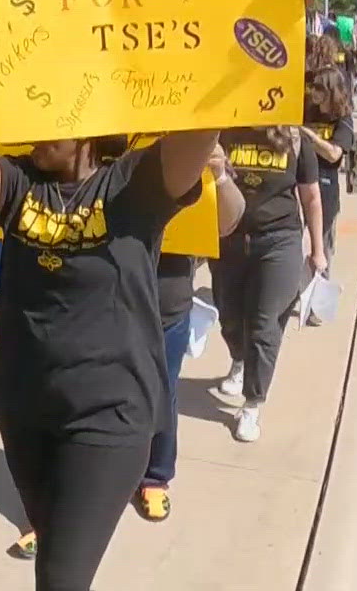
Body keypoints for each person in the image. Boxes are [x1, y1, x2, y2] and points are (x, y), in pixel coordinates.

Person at [0, 0, 314, 590]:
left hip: (110, 418)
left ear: (89, 125)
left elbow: (201, 121)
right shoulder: (17, 186)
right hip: (22, 407)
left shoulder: (135, 186)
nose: (31, 122)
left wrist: (270, 15)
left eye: (46, 111)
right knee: (56, 559)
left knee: (60, 580)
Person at [133, 142, 246, 523]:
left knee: (162, 390)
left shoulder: (195, 145)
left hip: (167, 300)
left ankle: (155, 476)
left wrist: (219, 175)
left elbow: (228, 220)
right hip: (107, 297)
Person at [213, 124, 325, 443]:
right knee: (230, 315)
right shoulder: (225, 131)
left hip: (279, 239)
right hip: (228, 238)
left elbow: (311, 196)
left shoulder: (294, 138)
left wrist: (317, 250)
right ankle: (238, 358)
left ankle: (252, 403)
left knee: (264, 323)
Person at [301, 66, 356, 265]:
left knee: (322, 247)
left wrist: (309, 137)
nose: (313, 92)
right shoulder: (306, 109)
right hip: (302, 181)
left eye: (319, 88)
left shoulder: (343, 118)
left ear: (330, 91)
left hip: (325, 183)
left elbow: (334, 154)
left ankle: (320, 288)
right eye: (312, 86)